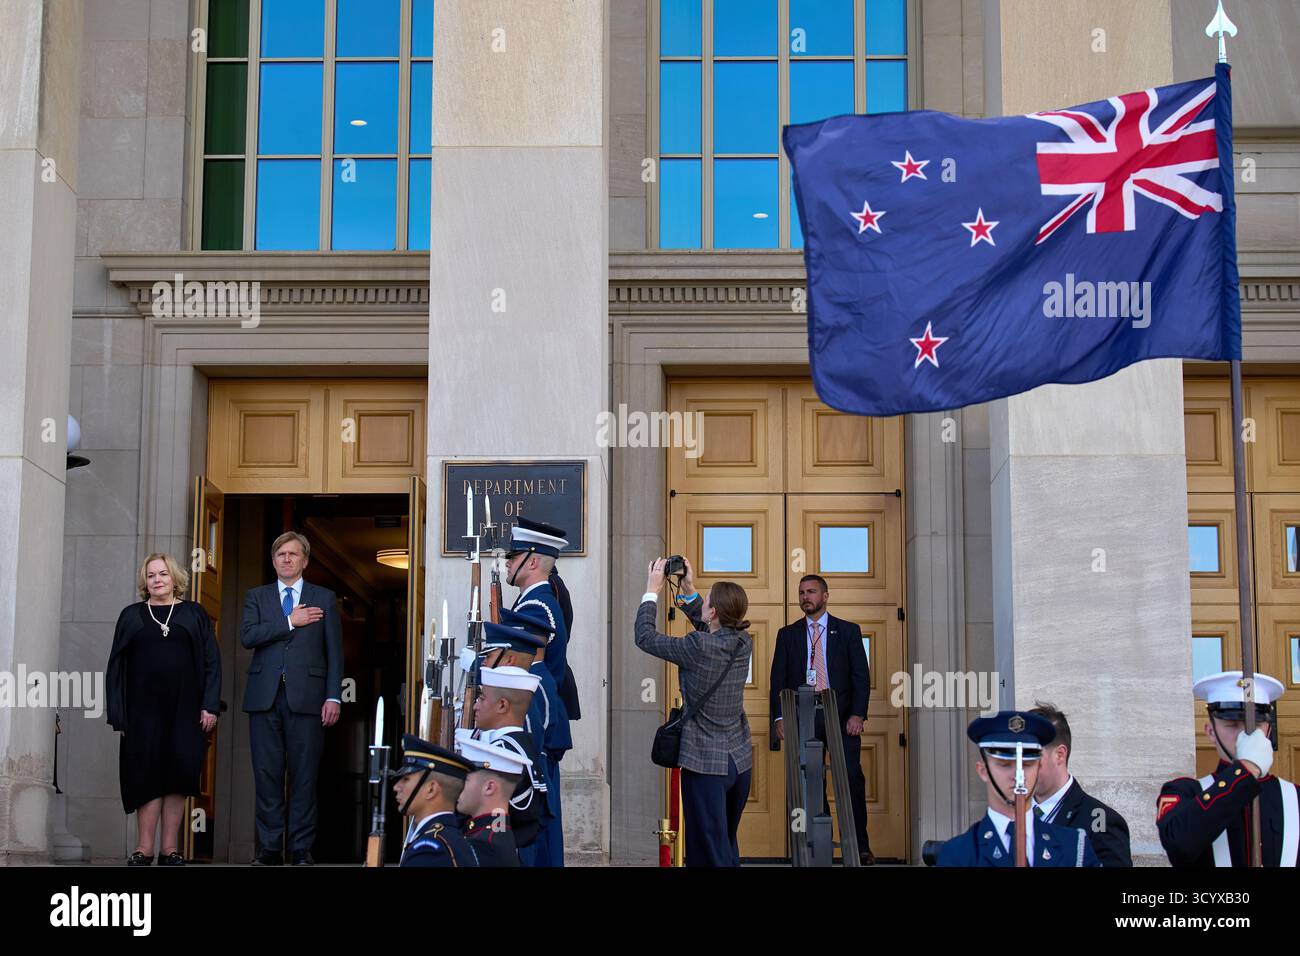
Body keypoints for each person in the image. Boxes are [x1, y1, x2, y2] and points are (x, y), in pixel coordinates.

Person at [636, 557, 752, 867]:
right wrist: (689, 590)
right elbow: (711, 628)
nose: (704, 601)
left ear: (713, 611)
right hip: (739, 762)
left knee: (706, 852)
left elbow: (644, 637)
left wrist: (652, 590)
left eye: (707, 599)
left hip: (705, 764)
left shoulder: (697, 646)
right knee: (724, 845)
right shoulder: (743, 641)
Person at [106, 553, 221, 866]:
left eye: (163, 574)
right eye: (151, 575)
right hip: (142, 713)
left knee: (178, 778)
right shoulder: (131, 615)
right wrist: (119, 712)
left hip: (185, 711)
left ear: (175, 578)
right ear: (146, 581)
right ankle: (143, 849)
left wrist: (210, 705)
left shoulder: (194, 614)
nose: (157, 580)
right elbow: (115, 667)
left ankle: (170, 849)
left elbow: (212, 662)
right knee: (146, 778)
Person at [239, 531, 343, 866]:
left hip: (309, 699)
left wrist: (333, 697)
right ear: (273, 560)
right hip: (264, 698)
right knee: (267, 775)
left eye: (293, 554)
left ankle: (300, 849)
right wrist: (289, 621)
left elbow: (334, 652)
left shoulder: (323, 598)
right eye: (281, 554)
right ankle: (270, 849)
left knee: (304, 775)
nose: (286, 559)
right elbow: (248, 636)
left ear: (305, 561)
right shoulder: (257, 597)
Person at [769, 573, 872, 864]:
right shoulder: (787, 634)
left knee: (851, 780)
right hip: (802, 718)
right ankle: (817, 847)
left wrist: (858, 714)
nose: (805, 597)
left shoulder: (848, 631)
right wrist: (779, 718)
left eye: (811, 592)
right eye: (802, 592)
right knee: (810, 783)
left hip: (841, 719)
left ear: (825, 596)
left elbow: (861, 677)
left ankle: (860, 847)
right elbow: (778, 680)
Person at [1157, 670, 1297, 867]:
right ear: (1211, 731)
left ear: (1268, 730)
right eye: (1232, 725)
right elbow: (1180, 845)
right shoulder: (1185, 792)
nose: (1244, 736)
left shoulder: (1295, 797)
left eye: (1255, 725)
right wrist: (1246, 769)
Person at [935, 711, 1101, 867]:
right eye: (1004, 764)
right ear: (983, 771)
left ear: (1039, 766)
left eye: (1027, 764)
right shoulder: (958, 854)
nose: (1017, 774)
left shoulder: (1073, 847)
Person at [503, 518, 571, 865]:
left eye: (512, 557)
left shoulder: (535, 607)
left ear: (532, 561)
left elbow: (517, 670)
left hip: (533, 716)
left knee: (536, 817)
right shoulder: (537, 602)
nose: (506, 563)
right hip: (540, 715)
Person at [1028, 702, 1132, 866]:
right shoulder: (1013, 816)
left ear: (1060, 755)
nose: (1020, 766)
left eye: (1031, 755)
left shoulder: (1101, 821)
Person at [464, 664, 549, 851]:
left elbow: (496, 817)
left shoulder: (504, 753)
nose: (475, 706)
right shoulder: (517, 745)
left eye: (482, 698)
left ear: (502, 705)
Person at [390, 734, 479, 867]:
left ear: (431, 789)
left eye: (406, 779)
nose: (396, 787)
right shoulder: (452, 839)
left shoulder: (428, 849)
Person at [456, 733, 530, 866]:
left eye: (465, 780)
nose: (459, 786)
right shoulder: (498, 830)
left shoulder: (483, 845)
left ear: (489, 787)